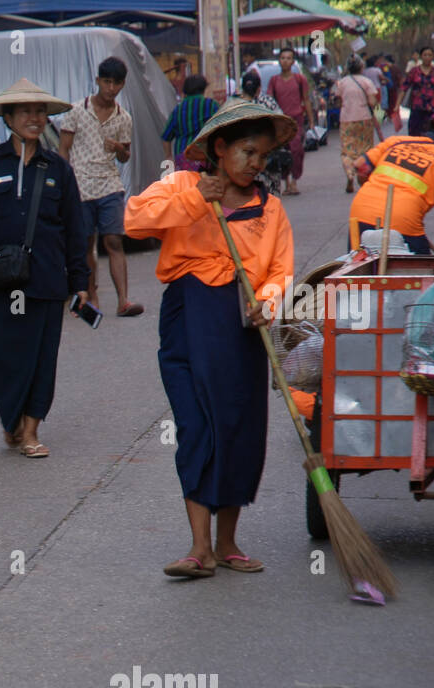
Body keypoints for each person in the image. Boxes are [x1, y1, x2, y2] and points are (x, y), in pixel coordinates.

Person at [124, 100, 295, 579]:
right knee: (197, 423)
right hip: (188, 317)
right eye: (247, 152)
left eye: (263, 156)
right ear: (219, 149)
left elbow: (281, 268)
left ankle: (228, 542)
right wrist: (198, 197)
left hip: (242, 324)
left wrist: (269, 300)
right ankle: (199, 547)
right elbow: (133, 220)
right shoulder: (182, 185)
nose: (256, 164)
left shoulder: (271, 208)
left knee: (238, 425)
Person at [0, 79, 90, 459]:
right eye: (26, 112)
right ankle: (11, 417)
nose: (35, 118)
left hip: (47, 280)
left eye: (40, 112)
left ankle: (30, 429)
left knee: (41, 356)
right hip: (3, 284)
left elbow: (75, 229)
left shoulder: (57, 170)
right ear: (9, 117)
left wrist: (80, 281)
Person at [59, 56, 144, 317]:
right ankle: (91, 295)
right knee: (86, 242)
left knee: (114, 240)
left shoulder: (123, 118)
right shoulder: (76, 111)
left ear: (122, 85)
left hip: (109, 185)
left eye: (116, 83)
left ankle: (123, 300)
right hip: (80, 186)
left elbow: (125, 157)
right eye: (107, 82)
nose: (111, 88)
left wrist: (119, 148)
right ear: (97, 81)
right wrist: (65, 183)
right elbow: (63, 149)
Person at [349, 118, 434, 255]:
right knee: (420, 273)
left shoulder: (396, 141)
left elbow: (361, 166)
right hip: (403, 224)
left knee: (357, 268)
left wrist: (375, 196)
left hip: (361, 214)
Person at [267, 47, 315, 194]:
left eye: (288, 58)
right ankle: (286, 182)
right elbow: (270, 102)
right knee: (282, 152)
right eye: (282, 58)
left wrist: (312, 121)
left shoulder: (299, 79)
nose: (285, 61)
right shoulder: (274, 81)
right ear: (279, 61)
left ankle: (294, 181)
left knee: (296, 150)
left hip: (296, 120)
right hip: (280, 122)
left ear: (293, 61)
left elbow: (306, 100)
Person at [335, 56, 382, 193]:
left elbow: (338, 101)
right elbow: (373, 103)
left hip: (346, 120)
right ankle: (364, 178)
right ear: (362, 67)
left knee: (347, 150)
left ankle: (350, 173)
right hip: (364, 119)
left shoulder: (342, 83)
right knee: (365, 150)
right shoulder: (367, 82)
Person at [240, 72, 286, 198]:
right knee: (272, 197)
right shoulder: (268, 102)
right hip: (268, 157)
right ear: (259, 88)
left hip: (243, 160)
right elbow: (282, 125)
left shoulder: (234, 104)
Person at [162, 74, 219, 172]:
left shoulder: (178, 109)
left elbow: (166, 137)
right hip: (205, 157)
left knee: (186, 186)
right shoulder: (211, 105)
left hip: (183, 159)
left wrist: (168, 156)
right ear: (203, 88)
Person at [403, 45, 434, 136]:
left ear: (433, 57)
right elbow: (404, 88)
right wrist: (396, 106)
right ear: (421, 56)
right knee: (415, 135)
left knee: (431, 135)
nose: (427, 57)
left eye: (429, 55)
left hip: (432, 109)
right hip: (417, 108)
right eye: (425, 55)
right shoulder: (414, 71)